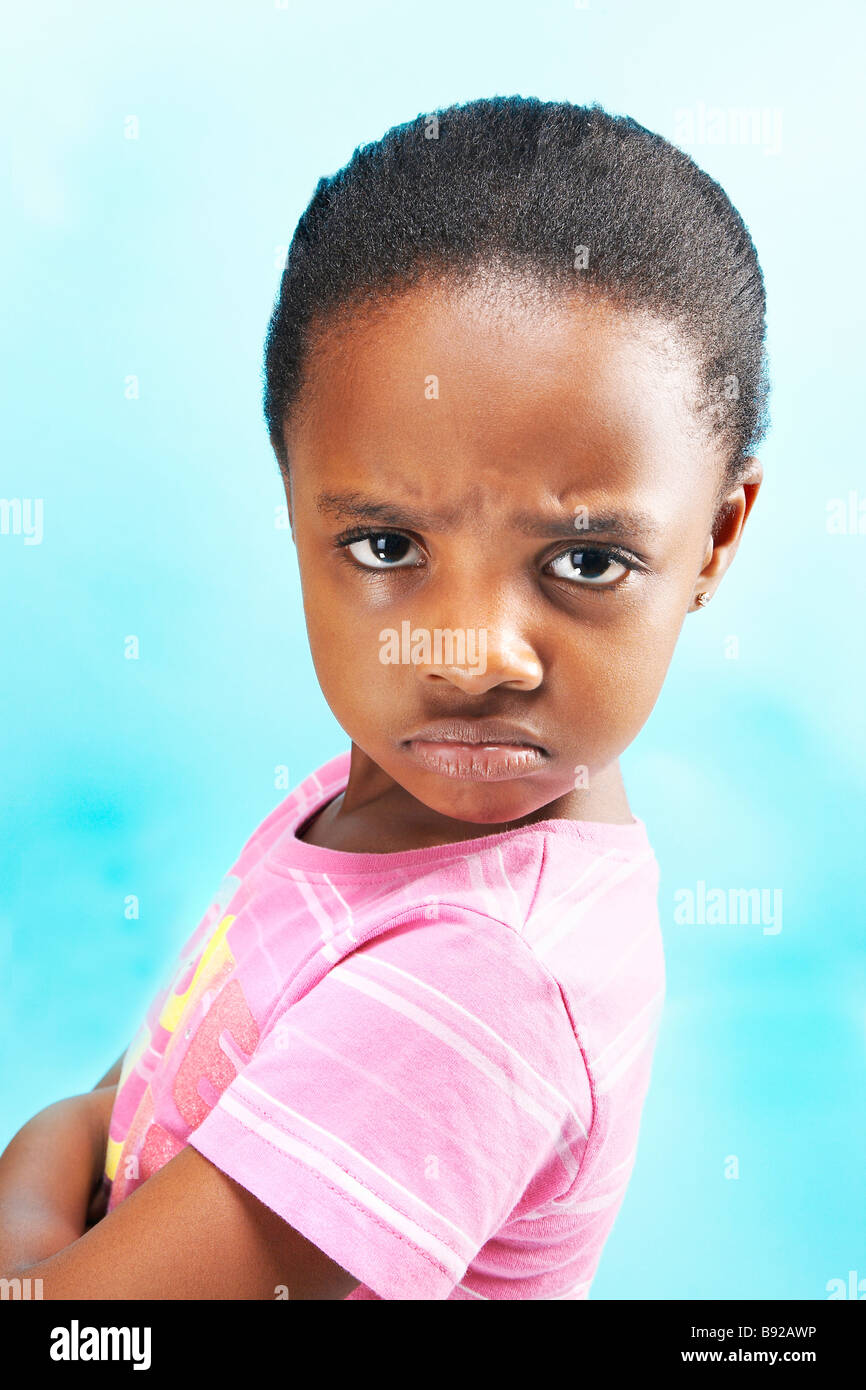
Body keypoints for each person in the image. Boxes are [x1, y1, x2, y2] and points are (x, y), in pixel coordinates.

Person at [0, 95, 768, 1299]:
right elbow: (140, 1094)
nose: (471, 657)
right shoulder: (380, 790)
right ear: (293, 496)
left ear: (715, 539)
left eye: (582, 561)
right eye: (385, 545)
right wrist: (63, 1146)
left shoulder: (482, 979)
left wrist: (32, 1180)